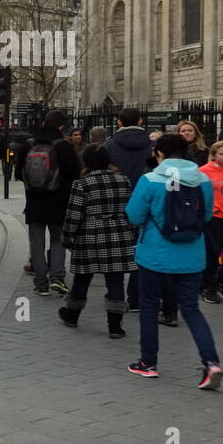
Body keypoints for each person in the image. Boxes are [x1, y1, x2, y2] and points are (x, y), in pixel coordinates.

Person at [124, 133, 221, 388]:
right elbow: (207, 216)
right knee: (190, 308)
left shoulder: (150, 179)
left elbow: (133, 215)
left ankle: (148, 363)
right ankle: (211, 362)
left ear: (159, 154)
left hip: (154, 253)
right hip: (191, 253)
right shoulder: (202, 179)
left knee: (148, 305)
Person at [58, 145, 136, 339]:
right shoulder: (123, 181)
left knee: (83, 277)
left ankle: (72, 315)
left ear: (85, 161)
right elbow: (131, 209)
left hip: (89, 233)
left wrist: (67, 237)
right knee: (115, 278)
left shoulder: (82, 184)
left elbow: (74, 214)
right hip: (118, 231)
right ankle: (115, 325)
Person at [18, 109, 81, 296]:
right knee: (58, 240)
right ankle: (57, 278)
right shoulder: (64, 146)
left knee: (36, 243)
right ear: (62, 126)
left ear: (44, 122)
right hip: (59, 202)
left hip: (34, 202)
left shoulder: (28, 144)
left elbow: (17, 174)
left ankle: (40, 283)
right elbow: (74, 174)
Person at [107, 108, 154, 310]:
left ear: (119, 122)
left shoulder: (109, 145)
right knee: (140, 248)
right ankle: (135, 297)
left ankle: (114, 294)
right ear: (141, 120)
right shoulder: (152, 145)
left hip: (117, 201)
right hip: (145, 200)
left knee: (115, 249)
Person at [199, 140, 223, 304]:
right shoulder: (203, 172)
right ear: (214, 155)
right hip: (214, 218)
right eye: (222, 154)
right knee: (212, 253)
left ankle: (220, 282)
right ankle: (208, 287)